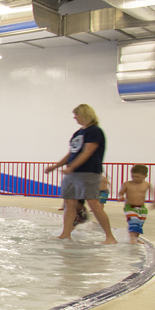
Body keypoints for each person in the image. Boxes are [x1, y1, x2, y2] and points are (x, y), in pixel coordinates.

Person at [44, 104, 115, 244]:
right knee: (69, 203)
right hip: (73, 173)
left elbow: (88, 151)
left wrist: (73, 166)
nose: (74, 117)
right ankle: (65, 234)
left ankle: (110, 237)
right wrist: (56, 166)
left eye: (77, 114)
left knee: (94, 204)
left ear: (84, 114)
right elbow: (71, 153)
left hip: (88, 172)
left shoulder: (95, 131)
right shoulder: (78, 133)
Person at [117, 165, 155, 245]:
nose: (135, 178)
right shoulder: (127, 184)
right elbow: (121, 192)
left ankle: (136, 238)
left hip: (142, 207)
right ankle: (132, 238)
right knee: (134, 221)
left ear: (145, 176)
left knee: (140, 224)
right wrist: (121, 196)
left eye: (138, 177)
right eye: (133, 176)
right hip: (130, 207)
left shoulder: (147, 184)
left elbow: (153, 192)